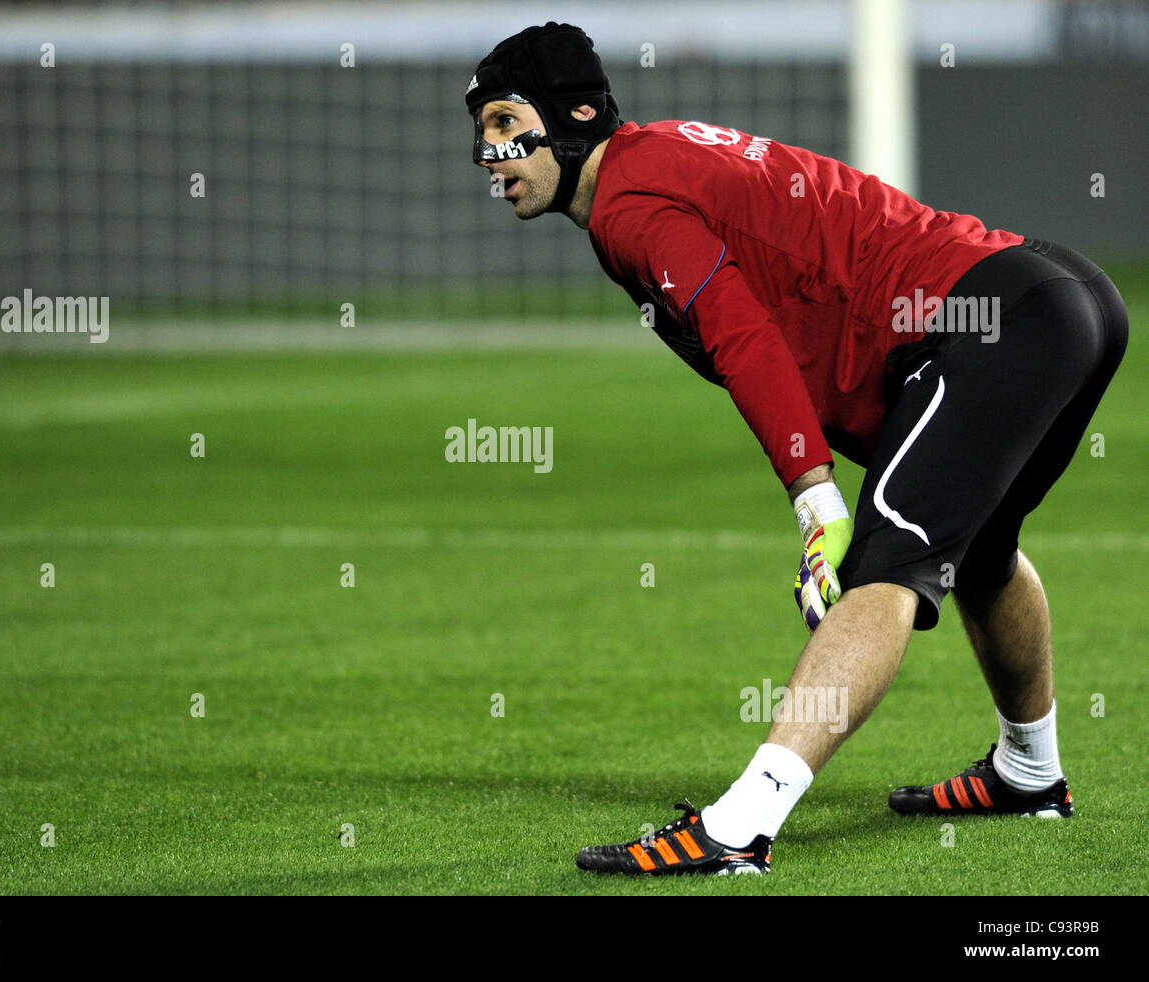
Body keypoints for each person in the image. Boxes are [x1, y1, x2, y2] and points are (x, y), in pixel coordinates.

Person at [465, 22, 1129, 875]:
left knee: (886, 565)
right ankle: (1030, 771)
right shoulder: (651, 160)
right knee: (981, 549)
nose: (487, 152)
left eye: (502, 122)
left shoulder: (628, 201)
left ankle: (738, 826)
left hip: (993, 320)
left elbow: (744, 334)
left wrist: (816, 501)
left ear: (575, 113)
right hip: (1054, 299)